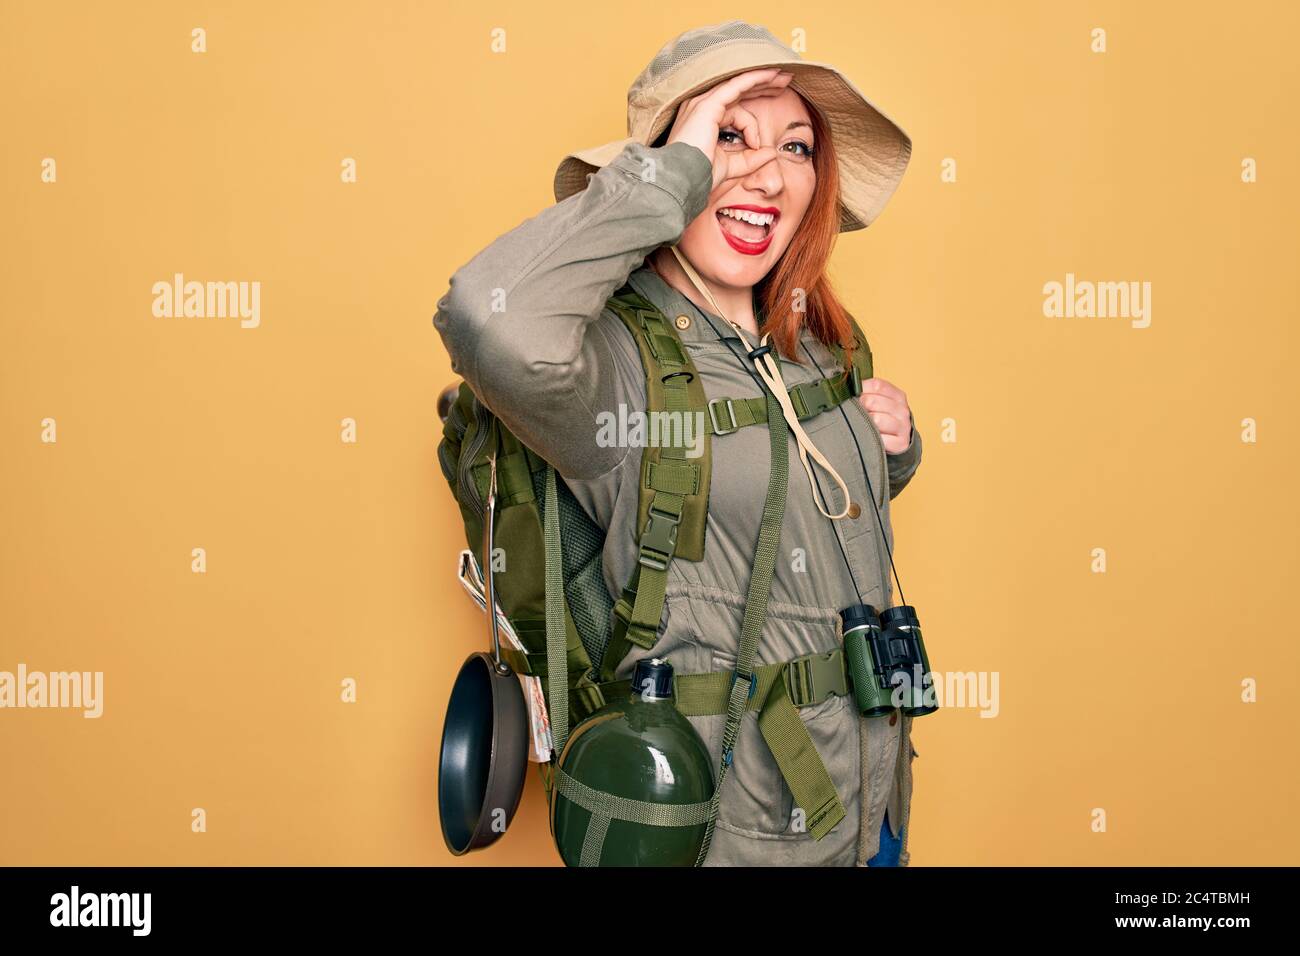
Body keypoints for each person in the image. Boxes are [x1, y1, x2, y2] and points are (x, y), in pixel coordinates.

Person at [434, 20, 923, 866]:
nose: (767, 176)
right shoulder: (612, 366)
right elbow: (485, 322)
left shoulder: (817, 337)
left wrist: (894, 450)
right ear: (670, 159)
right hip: (734, 829)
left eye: (797, 148)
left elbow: (795, 508)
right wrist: (671, 173)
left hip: (873, 800)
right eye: (730, 135)